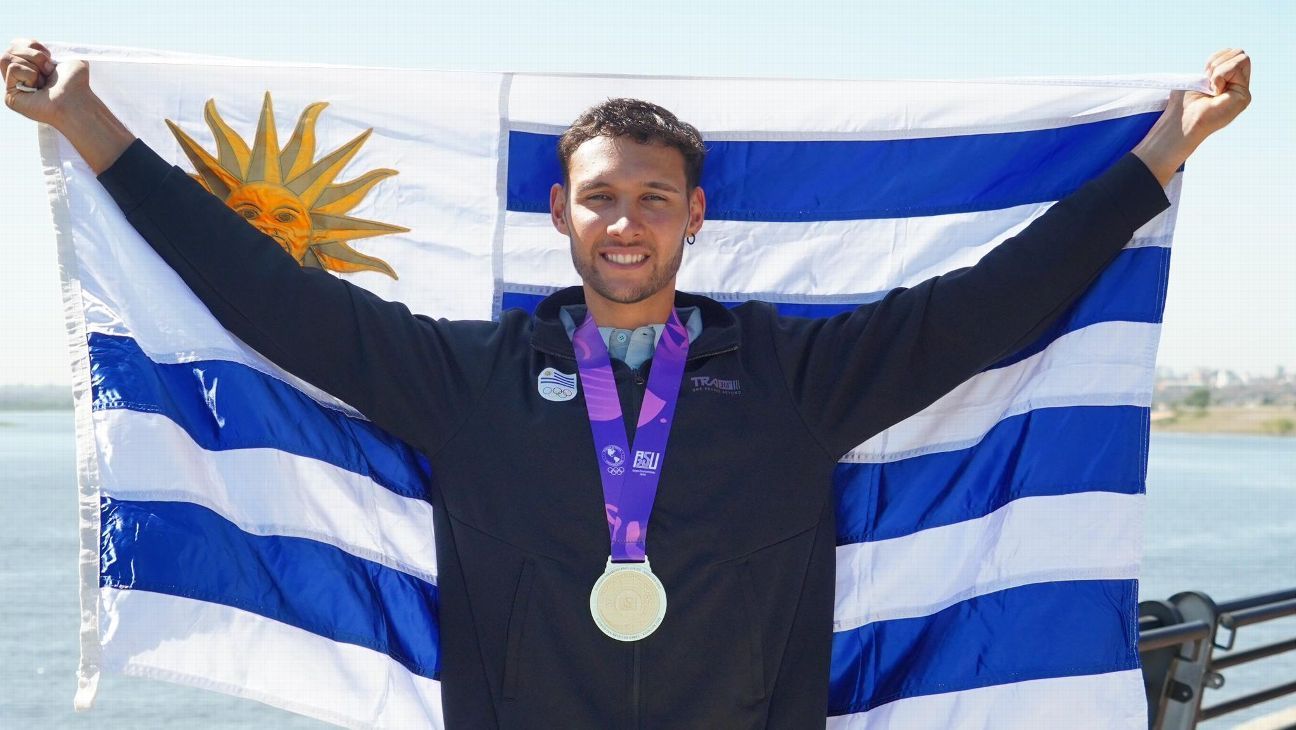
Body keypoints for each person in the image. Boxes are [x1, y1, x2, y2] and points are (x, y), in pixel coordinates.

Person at [3, 39, 1251, 728]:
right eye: (602, 195)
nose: (625, 221)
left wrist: (1163, 150)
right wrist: (91, 128)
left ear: (694, 218)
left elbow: (993, 303)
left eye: (653, 198)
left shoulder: (791, 375)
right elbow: (272, 296)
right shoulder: (471, 379)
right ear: (561, 212)